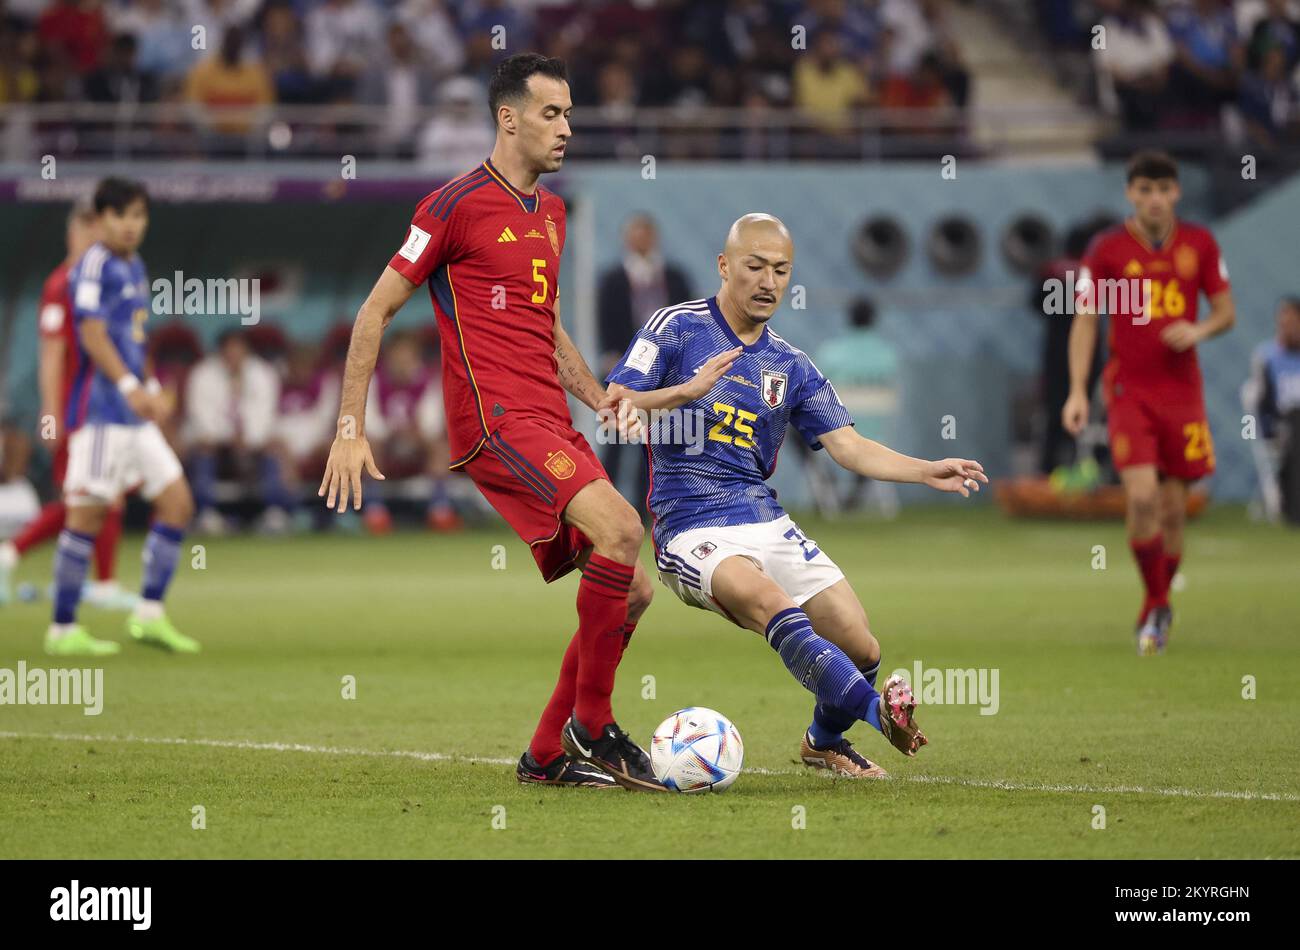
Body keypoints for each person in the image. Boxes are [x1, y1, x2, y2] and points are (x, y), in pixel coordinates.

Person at [318, 54, 662, 791]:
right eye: (552, 114)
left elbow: (548, 326)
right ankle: (594, 725)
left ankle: (545, 755)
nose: (567, 128)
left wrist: (597, 394)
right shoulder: (452, 204)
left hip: (552, 414)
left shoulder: (555, 213)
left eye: (570, 114)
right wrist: (350, 427)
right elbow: (373, 311)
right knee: (624, 530)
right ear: (509, 119)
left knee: (635, 583)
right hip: (497, 418)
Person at [605, 213, 988, 778]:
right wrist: (686, 391)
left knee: (862, 648)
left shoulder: (791, 364)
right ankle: (879, 717)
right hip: (690, 524)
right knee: (772, 606)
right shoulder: (676, 327)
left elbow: (850, 447)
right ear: (724, 265)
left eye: (780, 270)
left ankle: (822, 741)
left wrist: (926, 470)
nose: (767, 281)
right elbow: (617, 403)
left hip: (762, 516)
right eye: (754, 266)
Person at [1063, 150, 1236, 655]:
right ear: (1130, 194)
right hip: (1128, 390)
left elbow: (1226, 311)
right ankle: (1159, 605)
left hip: (1183, 393)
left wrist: (1198, 327)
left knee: (1175, 512)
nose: (1155, 199)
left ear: (1176, 192)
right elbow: (1087, 318)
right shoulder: (1109, 249)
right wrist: (1077, 389)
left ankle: (1154, 604)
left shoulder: (1200, 243)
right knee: (1141, 498)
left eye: (1164, 189)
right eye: (1145, 190)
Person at [46, 177, 200, 656]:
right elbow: (91, 335)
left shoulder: (134, 265)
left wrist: (151, 389)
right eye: (121, 216)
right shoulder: (91, 265)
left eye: (138, 216)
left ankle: (149, 615)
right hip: (101, 416)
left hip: (134, 415)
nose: (131, 225)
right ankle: (62, 629)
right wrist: (133, 388)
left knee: (177, 503)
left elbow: (134, 340)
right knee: (85, 518)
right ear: (101, 219)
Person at [0, 202, 133, 611]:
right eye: (93, 232)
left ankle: (100, 581)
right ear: (76, 233)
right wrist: (51, 412)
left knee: (104, 496)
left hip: (103, 409)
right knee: (87, 499)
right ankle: (13, 554)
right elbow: (51, 356)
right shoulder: (62, 285)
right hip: (76, 412)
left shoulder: (100, 283)